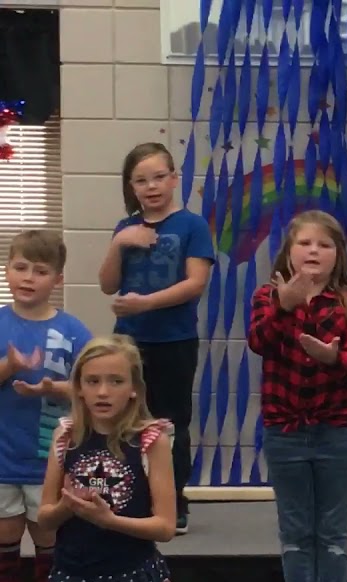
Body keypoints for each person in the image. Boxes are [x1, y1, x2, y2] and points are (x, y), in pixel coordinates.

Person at [247, 210, 347, 582]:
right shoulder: (268, 296)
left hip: (338, 429)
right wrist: (285, 307)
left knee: (333, 530)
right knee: (297, 528)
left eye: (324, 244)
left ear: (337, 254)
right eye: (305, 243)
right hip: (285, 429)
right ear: (289, 251)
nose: (314, 251)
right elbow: (259, 341)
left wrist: (330, 359)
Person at [37, 335, 179, 582]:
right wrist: (68, 506)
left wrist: (108, 520)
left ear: (134, 389)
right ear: (78, 387)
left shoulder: (151, 440)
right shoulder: (66, 436)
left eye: (116, 381)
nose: (103, 391)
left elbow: (165, 526)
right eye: (93, 380)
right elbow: (44, 519)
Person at [97, 142, 215, 535]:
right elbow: (107, 284)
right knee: (122, 420)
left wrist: (146, 304)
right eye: (141, 180)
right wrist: (119, 243)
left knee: (170, 424)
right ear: (131, 186)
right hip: (128, 342)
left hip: (174, 341)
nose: (151, 187)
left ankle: (173, 503)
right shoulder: (125, 227)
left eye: (159, 177)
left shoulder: (192, 226)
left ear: (174, 179)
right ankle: (128, 497)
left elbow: (195, 283)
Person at [0, 230, 92, 582]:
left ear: (57, 278)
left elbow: (94, 389)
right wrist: (9, 367)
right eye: (21, 267)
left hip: (49, 461)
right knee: (4, 539)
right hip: (2, 459)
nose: (28, 277)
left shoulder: (73, 330)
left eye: (40, 271)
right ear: (7, 269)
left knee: (47, 542)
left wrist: (58, 390)